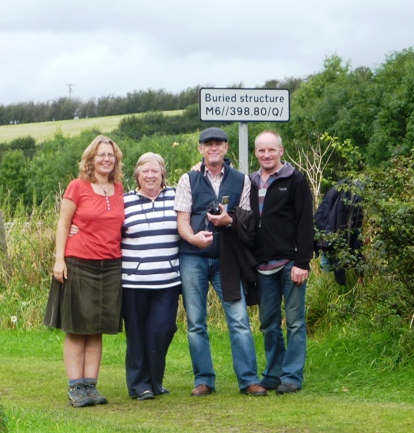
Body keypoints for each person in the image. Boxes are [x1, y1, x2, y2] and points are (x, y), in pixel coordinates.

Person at [175, 127, 267, 397]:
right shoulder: (187, 179)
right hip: (192, 257)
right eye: (208, 144)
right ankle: (204, 380)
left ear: (226, 148)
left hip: (227, 258)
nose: (213, 148)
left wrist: (229, 221)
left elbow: (249, 221)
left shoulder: (242, 180)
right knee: (196, 322)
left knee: (238, 319)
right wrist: (194, 239)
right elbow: (181, 221)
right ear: (200, 149)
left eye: (218, 144)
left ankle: (249, 379)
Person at [43, 135, 125, 408]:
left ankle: (91, 386)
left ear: (116, 160)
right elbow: (63, 225)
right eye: (101, 154)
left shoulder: (121, 189)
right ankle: (75, 387)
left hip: (111, 266)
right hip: (79, 263)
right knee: (77, 328)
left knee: (97, 328)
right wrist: (59, 260)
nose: (106, 159)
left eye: (110, 155)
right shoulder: (77, 187)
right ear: (90, 159)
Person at [249, 130, 315, 395]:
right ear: (256, 153)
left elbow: (305, 223)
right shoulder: (250, 182)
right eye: (261, 150)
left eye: (271, 150)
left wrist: (303, 262)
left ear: (281, 151)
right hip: (262, 264)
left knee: (296, 322)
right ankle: (273, 374)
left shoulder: (295, 179)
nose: (266, 155)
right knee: (268, 323)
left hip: (291, 263)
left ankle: (292, 377)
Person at [120, 152, 181, 401]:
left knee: (162, 330)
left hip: (167, 281)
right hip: (134, 282)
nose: (150, 175)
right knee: (136, 333)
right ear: (137, 175)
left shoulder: (177, 197)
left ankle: (155, 380)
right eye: (145, 171)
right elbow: (101, 224)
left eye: (155, 171)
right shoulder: (125, 202)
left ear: (163, 174)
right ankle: (139, 385)